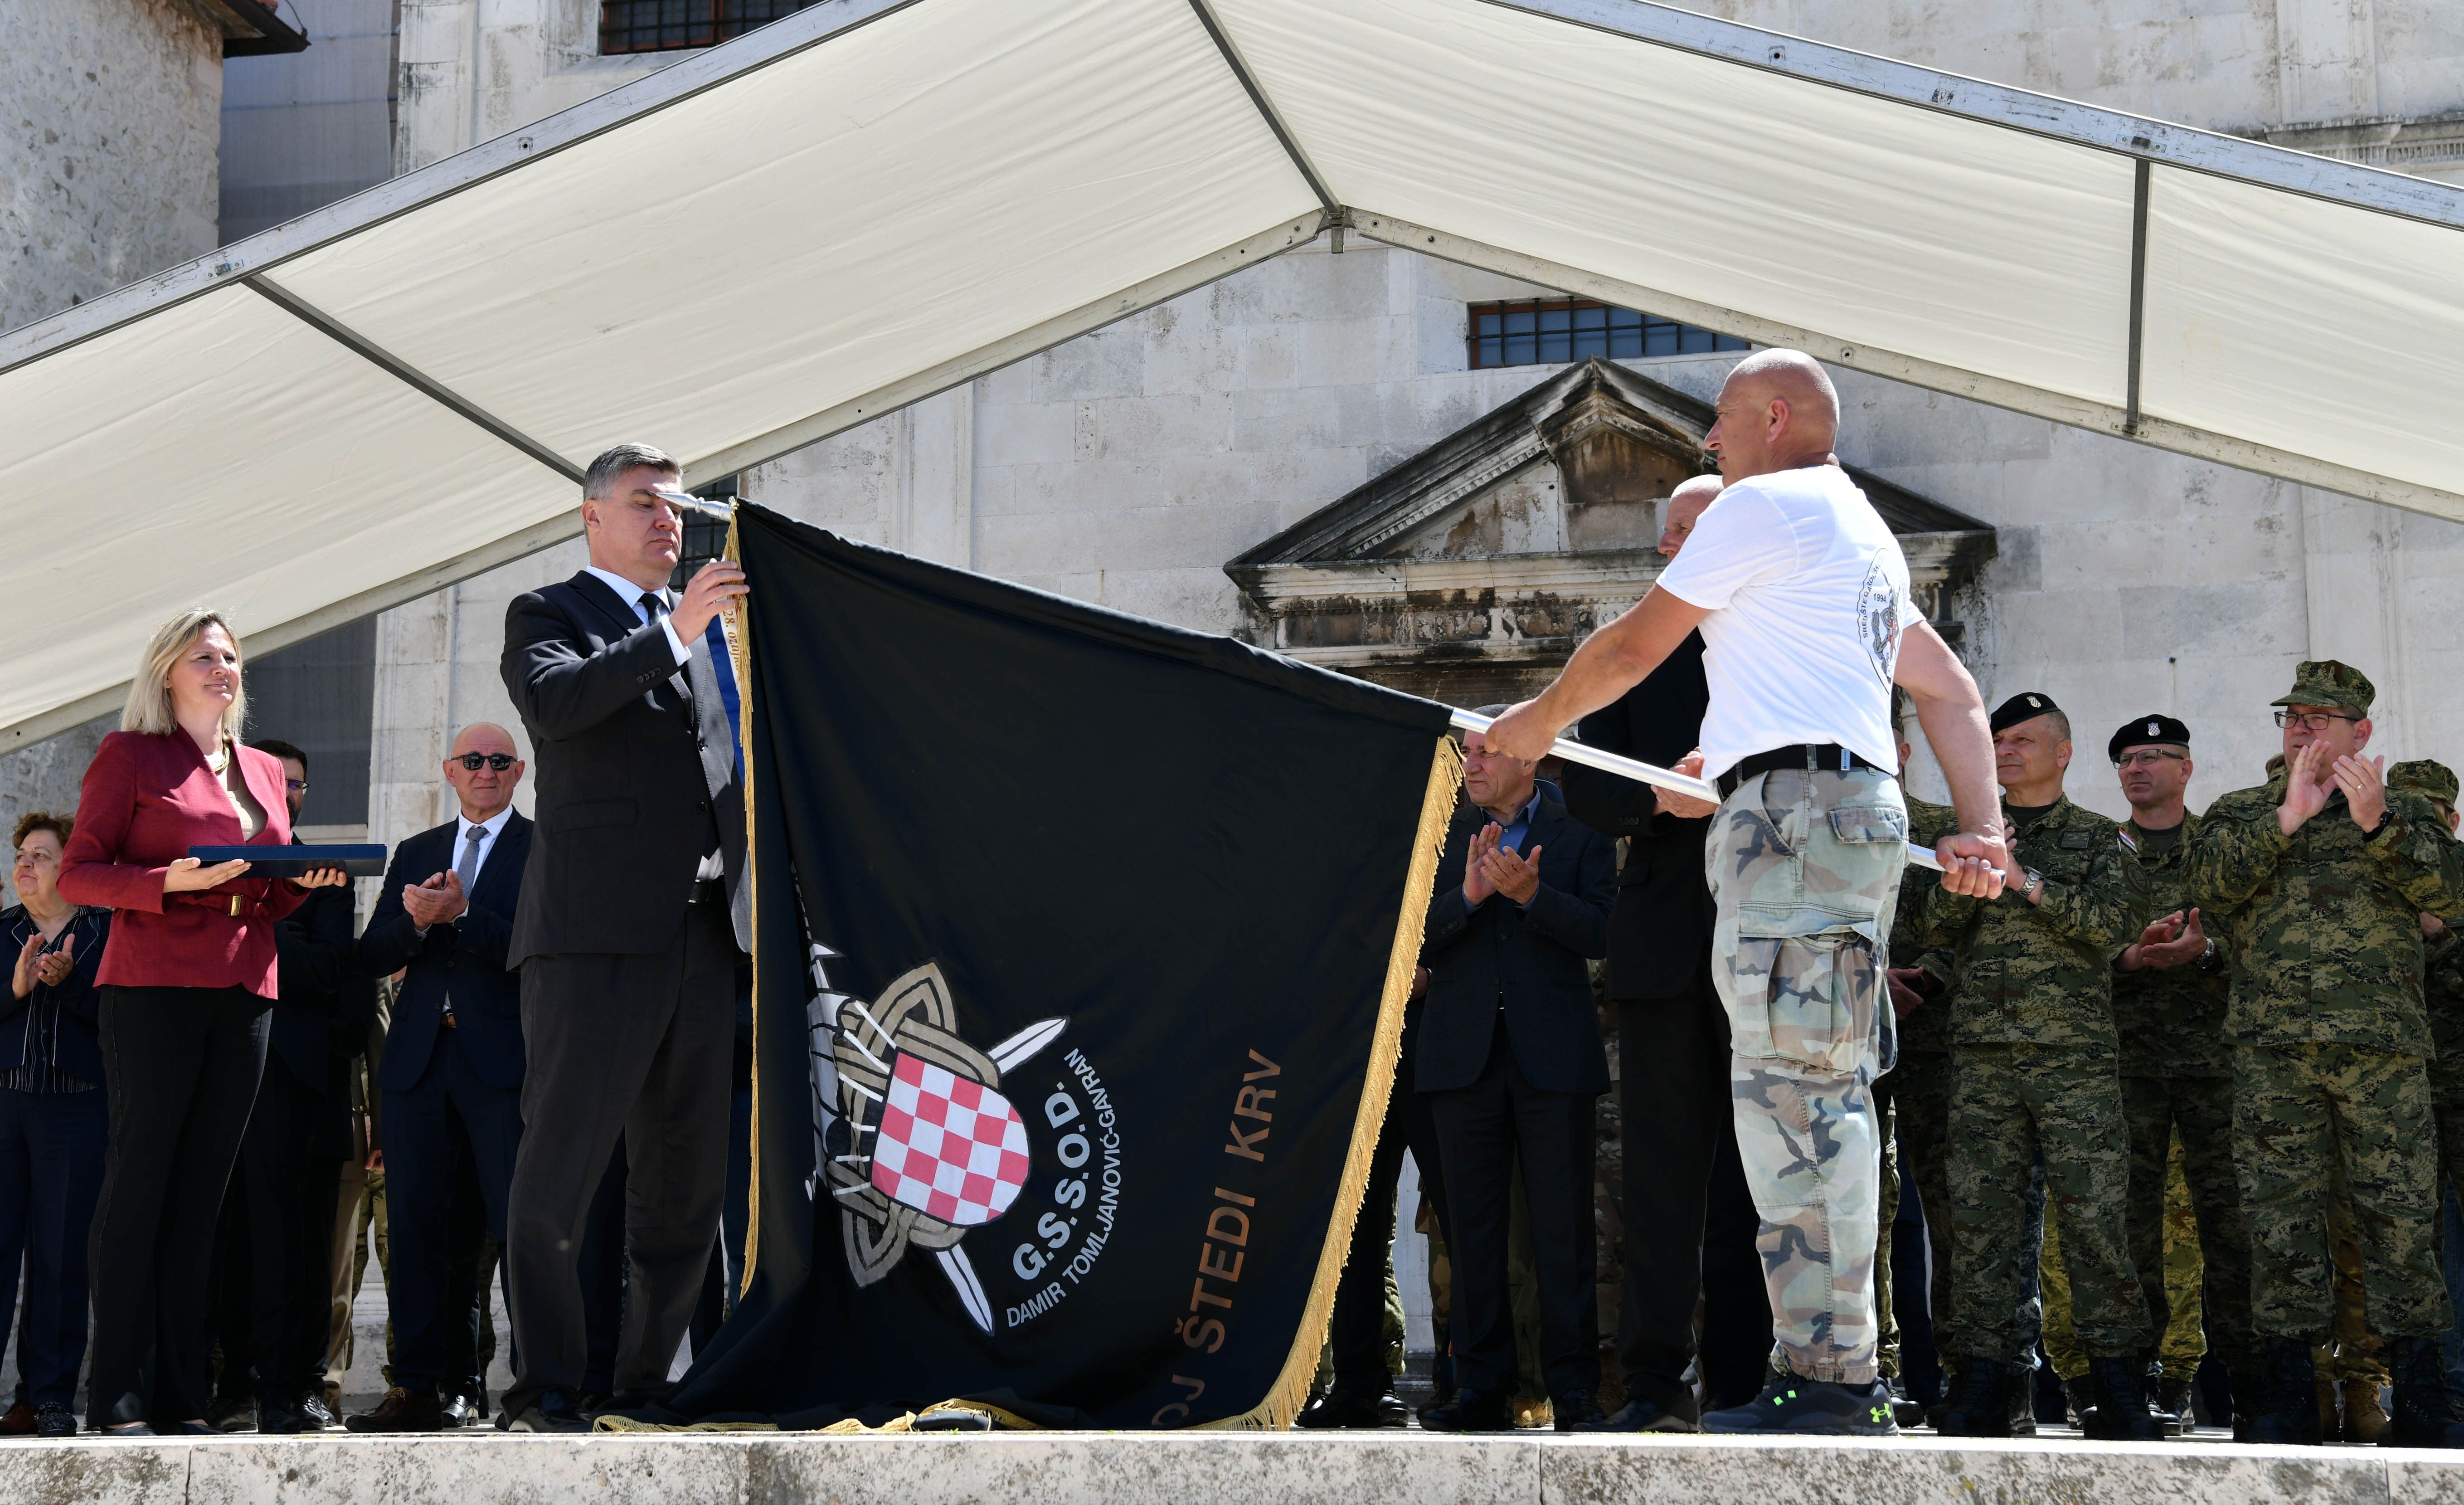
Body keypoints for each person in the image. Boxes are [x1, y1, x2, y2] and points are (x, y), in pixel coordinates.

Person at [1484, 349, 2009, 1434]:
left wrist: (1535, 723)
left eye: (1719, 424)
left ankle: (1830, 1380)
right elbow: (1950, 691)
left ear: (1774, 417)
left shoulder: (1761, 503)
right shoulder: (1858, 534)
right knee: (1825, 1086)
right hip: (1843, 814)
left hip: (1796, 822)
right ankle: (1831, 1366)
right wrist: (1983, 829)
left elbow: (1633, 645)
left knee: (1792, 1097)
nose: (1708, 447)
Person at [495, 443, 749, 1431]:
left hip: (701, 936)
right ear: (591, 515)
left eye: (680, 505)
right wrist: (678, 631)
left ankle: (646, 1384)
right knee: (561, 1171)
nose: (669, 521)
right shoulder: (549, 614)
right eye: (647, 502)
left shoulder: (710, 634)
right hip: (592, 942)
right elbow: (557, 706)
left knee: (683, 1186)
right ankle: (546, 1388)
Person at [58, 608, 349, 1433]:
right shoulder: (131, 756)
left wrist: (306, 883)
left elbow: (267, 882)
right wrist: (169, 884)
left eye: (230, 656)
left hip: (247, 984)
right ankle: (116, 1392)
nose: (223, 668)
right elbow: (80, 874)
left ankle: (183, 1397)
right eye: (204, 656)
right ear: (166, 672)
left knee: (201, 1200)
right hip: (152, 984)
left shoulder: (259, 767)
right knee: (140, 1182)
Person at [2187, 660, 2464, 1446]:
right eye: (2294, 716)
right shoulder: (2245, 810)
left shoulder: (2404, 810)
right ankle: (2284, 1399)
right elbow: (2206, 883)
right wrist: (2288, 817)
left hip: (2382, 1053)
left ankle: (2421, 1397)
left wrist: (2380, 827)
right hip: (2274, 1052)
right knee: (2280, 1224)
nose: (2304, 728)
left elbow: (2452, 898)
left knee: (2401, 1221)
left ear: (2361, 732)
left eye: (2323, 717)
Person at [1556, 474, 1769, 1432]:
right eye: (1671, 533)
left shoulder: (1784, 637)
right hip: (1664, 948)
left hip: (1775, 941)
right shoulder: (1631, 650)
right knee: (1659, 1177)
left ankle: (1746, 1380)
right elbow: (1582, 785)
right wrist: (1655, 800)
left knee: (1763, 1176)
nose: (1676, 546)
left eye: (1696, 527)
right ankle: (1651, 1382)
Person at [1923, 694, 2158, 1439]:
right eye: (1997, 738)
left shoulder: (2101, 839)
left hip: (2074, 1059)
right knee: (1984, 1229)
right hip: (1984, 1056)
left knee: (2094, 1223)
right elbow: (1924, 928)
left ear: (2063, 752)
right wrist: (1968, 875)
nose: (2006, 748)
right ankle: (1988, 1381)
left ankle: (2115, 1382)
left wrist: (2022, 877)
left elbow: (2112, 926)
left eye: (2025, 739)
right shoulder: (1963, 836)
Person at [1413, 720, 1615, 1432]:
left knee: (1563, 1235)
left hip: (1552, 1058)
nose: (1471, 762)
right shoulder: (1437, 832)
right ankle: (1478, 1390)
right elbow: (1408, 934)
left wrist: (1535, 897)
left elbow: (1603, 932)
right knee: (1470, 1235)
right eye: (1467, 750)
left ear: (1528, 758)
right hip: (1459, 1058)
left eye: (1486, 749)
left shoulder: (1581, 829)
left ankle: (1574, 1391)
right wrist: (1468, 895)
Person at [346, 723, 533, 1432]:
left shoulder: (539, 846)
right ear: (449, 771)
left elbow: (534, 944)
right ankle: (426, 1387)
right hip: (420, 1064)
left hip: (503, 1066)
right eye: (472, 760)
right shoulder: (417, 851)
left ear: (518, 772)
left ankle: (533, 1384)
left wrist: (461, 914)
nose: (485, 770)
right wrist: (419, 925)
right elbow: (372, 953)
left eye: (498, 761)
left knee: (514, 1225)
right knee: (422, 1230)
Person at [208, 737, 371, 1435]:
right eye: (279, 782)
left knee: (298, 1247)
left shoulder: (326, 868)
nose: (291, 793)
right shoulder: (211, 865)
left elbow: (333, 966)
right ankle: (228, 1382)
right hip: (218, 1084)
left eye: (299, 784)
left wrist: (245, 934)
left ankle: (292, 1387)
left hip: (300, 1088)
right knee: (222, 1243)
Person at [2099, 714, 2257, 1424]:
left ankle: (2250, 1383)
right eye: (2127, 758)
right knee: (2127, 1225)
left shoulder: (2219, 847)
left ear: (2186, 767)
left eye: (2155, 756)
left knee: (2229, 1223)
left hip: (2212, 1062)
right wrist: (2129, 953)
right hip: (2125, 1063)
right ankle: (2136, 1381)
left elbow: (2255, 932)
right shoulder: (2103, 849)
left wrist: (2206, 951)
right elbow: (2075, 939)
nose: (2139, 768)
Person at [1870, 695, 1980, 1428]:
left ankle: (1961, 1372)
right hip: (1859, 1043)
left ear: (1905, 748)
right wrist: (1873, 979)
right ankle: (1877, 1366)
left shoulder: (1945, 829)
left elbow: (1972, 920)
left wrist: (1927, 976)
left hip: (1937, 1043)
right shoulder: (1829, 827)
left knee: (1949, 1208)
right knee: (1868, 1213)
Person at [1295, 957, 1448, 1429]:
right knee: (1356, 1229)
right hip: (1356, 1046)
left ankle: (1471, 1381)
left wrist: (1433, 977)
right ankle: (1359, 1384)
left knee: (1458, 1223)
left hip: (1441, 1041)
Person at [0, 814, 110, 1438]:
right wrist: (14, 988)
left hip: (74, 1111)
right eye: (21, 853)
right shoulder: (2, 932)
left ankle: (46, 1397)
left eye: (41, 853)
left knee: (61, 1256)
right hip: (5, 1107)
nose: (26, 862)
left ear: (71, 867)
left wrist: (69, 987)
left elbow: (121, 1019)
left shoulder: (105, 933)